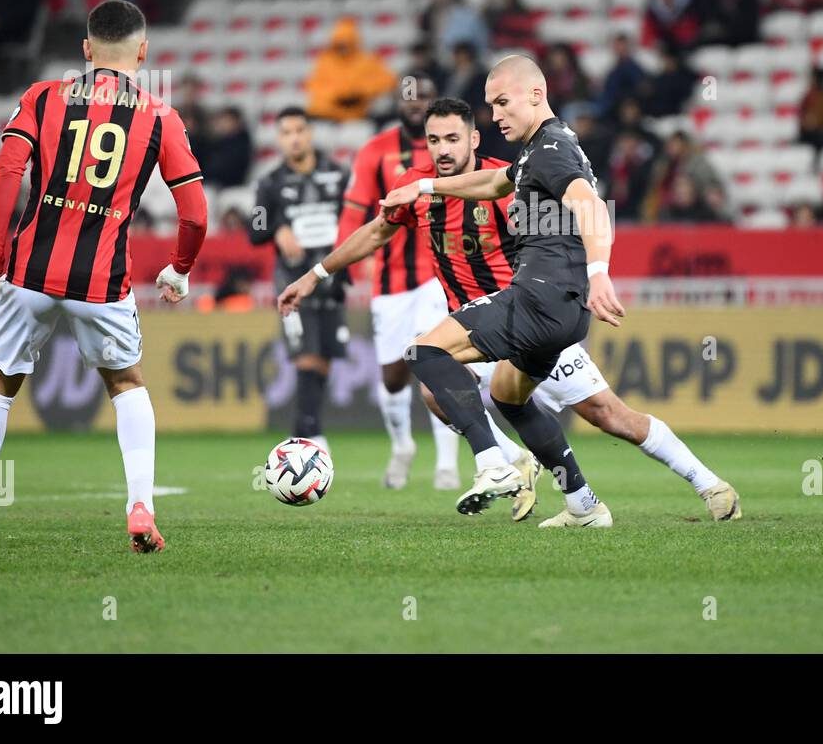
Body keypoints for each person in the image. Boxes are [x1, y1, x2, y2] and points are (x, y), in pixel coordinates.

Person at [279, 98, 739, 522]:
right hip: (476, 324)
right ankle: (520, 468)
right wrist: (314, 274)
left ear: (474, 139)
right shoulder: (414, 186)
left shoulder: (509, 181)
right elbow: (377, 233)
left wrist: (587, 275)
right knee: (437, 388)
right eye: (434, 140)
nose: (442, 148)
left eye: (452, 138)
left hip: (523, 317)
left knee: (607, 413)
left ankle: (709, 484)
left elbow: (574, 222)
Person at [0, 0, 208, 550]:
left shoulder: (43, 97)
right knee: (127, 384)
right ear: (143, 51)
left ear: (85, 50)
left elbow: (5, 176)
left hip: (30, 273)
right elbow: (196, 213)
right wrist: (180, 269)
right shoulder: (161, 116)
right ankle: (140, 508)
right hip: (103, 282)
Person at [363, 56, 617, 526]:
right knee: (507, 397)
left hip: (539, 296)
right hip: (563, 306)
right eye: (490, 105)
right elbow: (490, 182)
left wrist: (600, 271)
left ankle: (493, 465)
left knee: (423, 352)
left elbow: (592, 207)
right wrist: (425, 187)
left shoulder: (551, 150)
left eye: (502, 103)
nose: (495, 115)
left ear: (536, 95)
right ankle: (583, 504)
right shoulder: (539, 148)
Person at [335, 74, 461, 489]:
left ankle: (447, 464)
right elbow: (355, 211)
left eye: (422, 97)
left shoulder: (448, 148)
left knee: (437, 366)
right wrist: (350, 266)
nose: (414, 103)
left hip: (436, 277)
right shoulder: (376, 150)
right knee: (393, 376)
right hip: (389, 281)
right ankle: (403, 445)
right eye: (408, 97)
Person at [248, 108, 348, 452]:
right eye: (286, 131)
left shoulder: (339, 174)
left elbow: (357, 218)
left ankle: (308, 431)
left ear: (310, 133)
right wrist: (276, 230)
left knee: (323, 358)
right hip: (293, 285)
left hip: (333, 283)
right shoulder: (270, 182)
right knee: (305, 356)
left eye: (299, 130)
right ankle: (308, 436)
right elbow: (254, 230)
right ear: (279, 139)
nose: (294, 137)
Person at [305, 18, 396, 122]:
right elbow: (314, 86)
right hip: (329, 112)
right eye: (340, 43)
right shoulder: (324, 62)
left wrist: (360, 92)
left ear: (354, 42)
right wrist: (337, 96)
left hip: (360, 111)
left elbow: (388, 81)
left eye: (347, 43)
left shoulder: (367, 60)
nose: (343, 47)